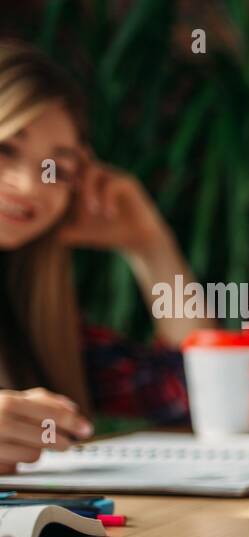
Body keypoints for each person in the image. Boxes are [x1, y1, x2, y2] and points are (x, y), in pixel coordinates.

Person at [0, 41, 206, 473]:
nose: (31, 186)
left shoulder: (28, 315)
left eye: (58, 169)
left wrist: (150, 245)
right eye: (5, 149)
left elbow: (194, 393)